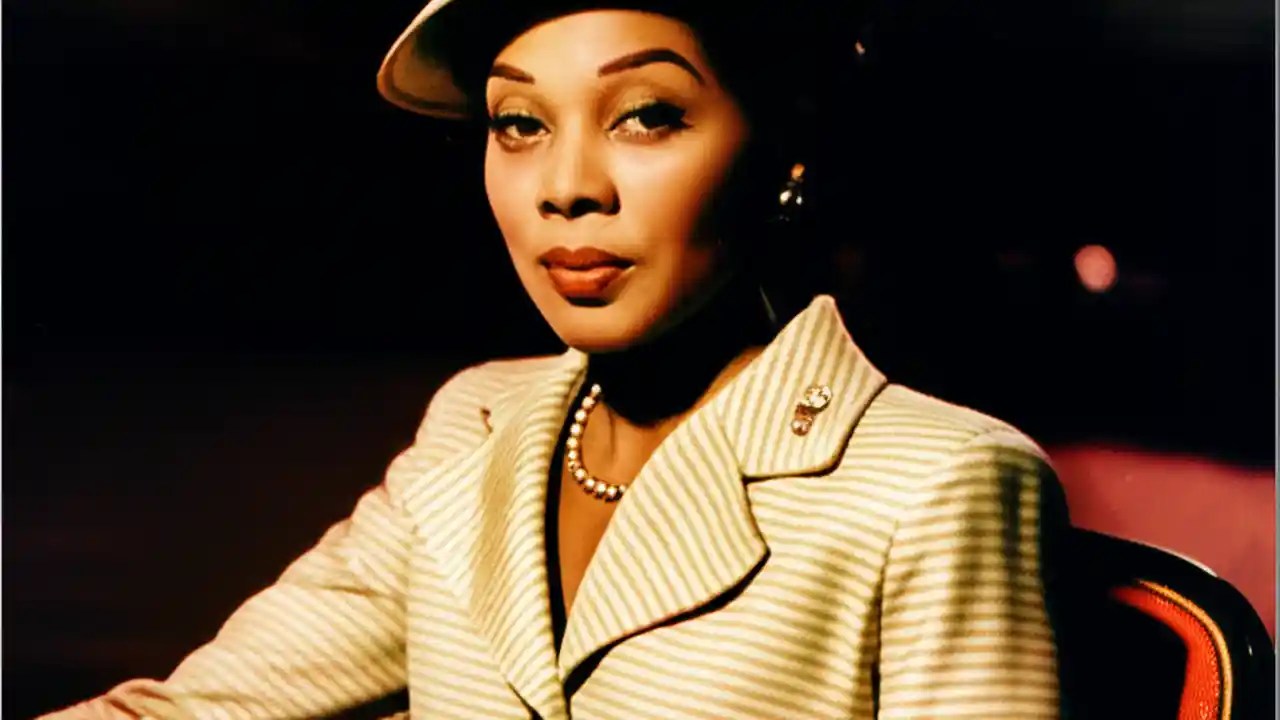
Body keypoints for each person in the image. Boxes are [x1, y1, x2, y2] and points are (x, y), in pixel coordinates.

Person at [41, 0, 1070, 717]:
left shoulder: (938, 482)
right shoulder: (476, 429)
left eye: (645, 116)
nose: (566, 187)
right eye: (519, 124)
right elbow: (192, 712)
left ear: (784, 143)